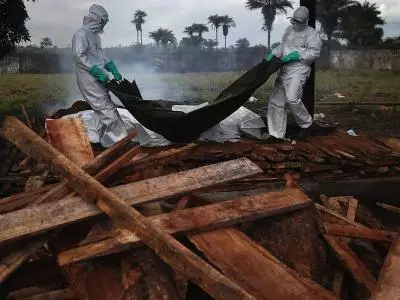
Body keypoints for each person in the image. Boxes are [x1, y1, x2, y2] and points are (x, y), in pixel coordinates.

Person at [72, 4, 128, 148]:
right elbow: (79, 56)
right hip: (89, 78)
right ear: (96, 19)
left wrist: (111, 67)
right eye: (103, 21)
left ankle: (101, 140)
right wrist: (96, 71)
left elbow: (100, 55)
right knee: (106, 108)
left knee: (104, 107)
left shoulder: (95, 36)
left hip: (99, 77)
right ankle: (121, 141)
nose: (104, 25)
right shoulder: (81, 34)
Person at [264, 6, 322, 140]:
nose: (295, 24)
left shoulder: (312, 34)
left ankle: (307, 125)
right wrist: (272, 54)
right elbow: (282, 46)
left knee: (292, 98)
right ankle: (276, 134)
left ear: (306, 21)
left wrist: (297, 55)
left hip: (298, 69)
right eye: (293, 21)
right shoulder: (289, 29)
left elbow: (314, 52)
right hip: (284, 68)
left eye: (298, 22)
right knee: (276, 101)